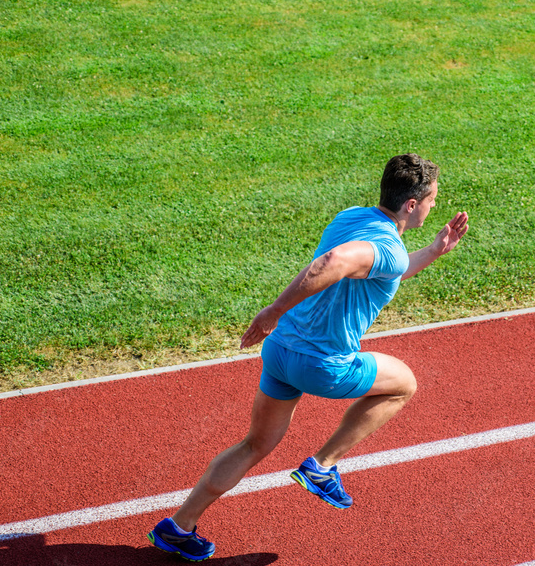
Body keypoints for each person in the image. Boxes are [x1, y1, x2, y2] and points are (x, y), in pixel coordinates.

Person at [147, 153, 469, 561]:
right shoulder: (388, 247)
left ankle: (179, 526)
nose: (433, 206)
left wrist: (435, 251)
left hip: (281, 351)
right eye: (431, 199)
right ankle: (323, 465)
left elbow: (384, 267)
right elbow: (336, 262)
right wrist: (272, 310)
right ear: (411, 204)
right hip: (320, 364)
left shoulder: (353, 217)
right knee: (403, 383)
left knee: (254, 445)